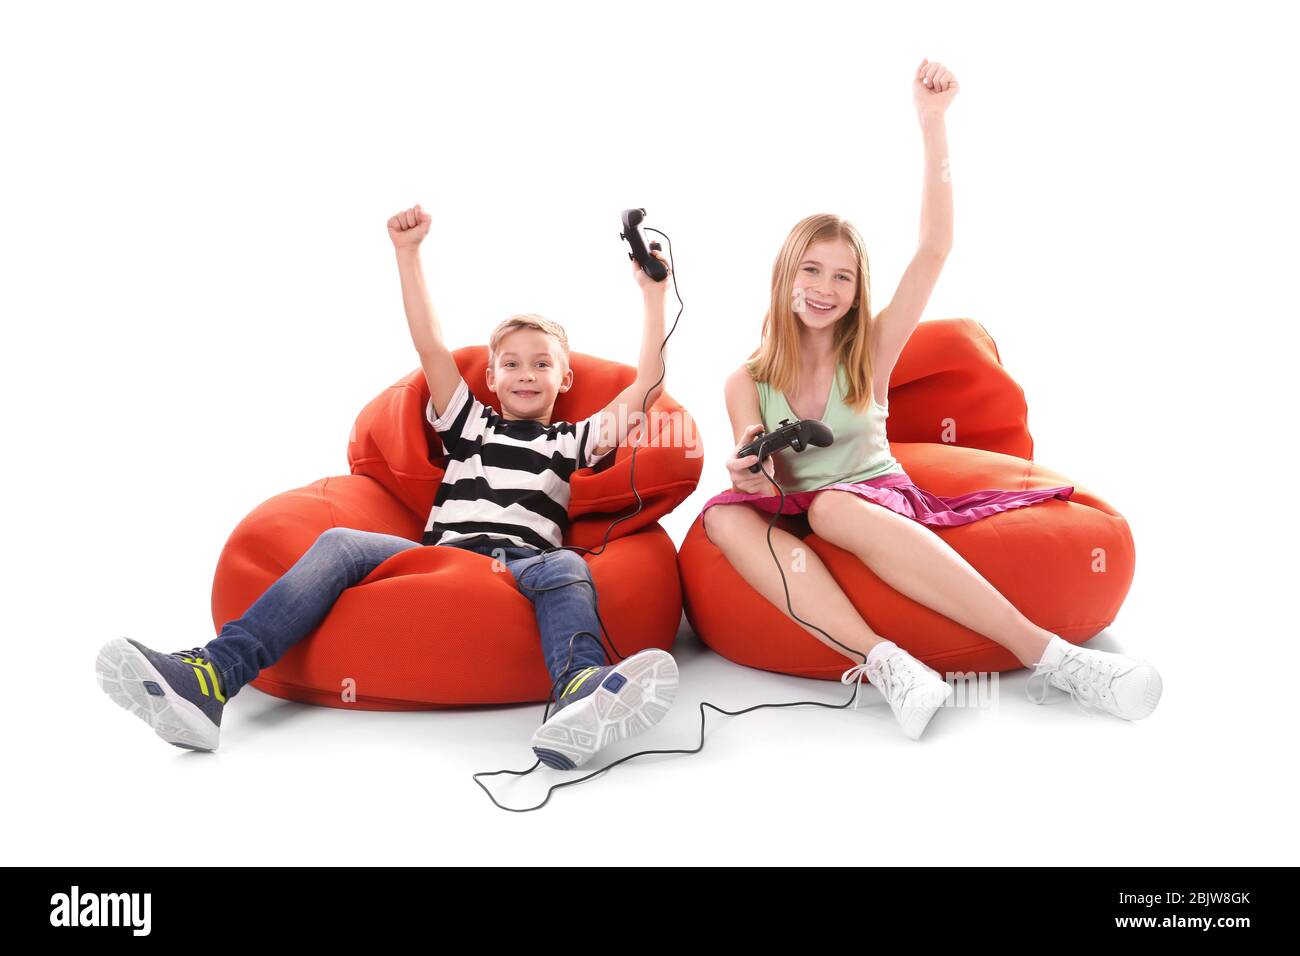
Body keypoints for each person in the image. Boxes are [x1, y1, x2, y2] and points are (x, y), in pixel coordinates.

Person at [95, 203, 680, 770]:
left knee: (568, 568)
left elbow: (646, 388)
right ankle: (211, 678)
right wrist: (408, 253)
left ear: (566, 377)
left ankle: (579, 689)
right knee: (342, 543)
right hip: (438, 555)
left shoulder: (572, 438)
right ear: (492, 376)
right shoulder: (468, 419)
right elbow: (430, 344)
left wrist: (653, 295)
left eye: (542, 363)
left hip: (523, 561)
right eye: (511, 363)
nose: (526, 373)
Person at [700, 59, 1161, 741]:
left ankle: (1053, 657)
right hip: (791, 507)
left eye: (843, 277)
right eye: (812, 270)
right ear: (784, 277)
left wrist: (932, 123)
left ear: (858, 292)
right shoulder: (746, 380)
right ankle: (888, 665)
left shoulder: (872, 348)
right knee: (721, 519)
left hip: (866, 502)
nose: (826, 287)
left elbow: (935, 247)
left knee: (831, 505)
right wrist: (748, 470)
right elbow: (753, 463)